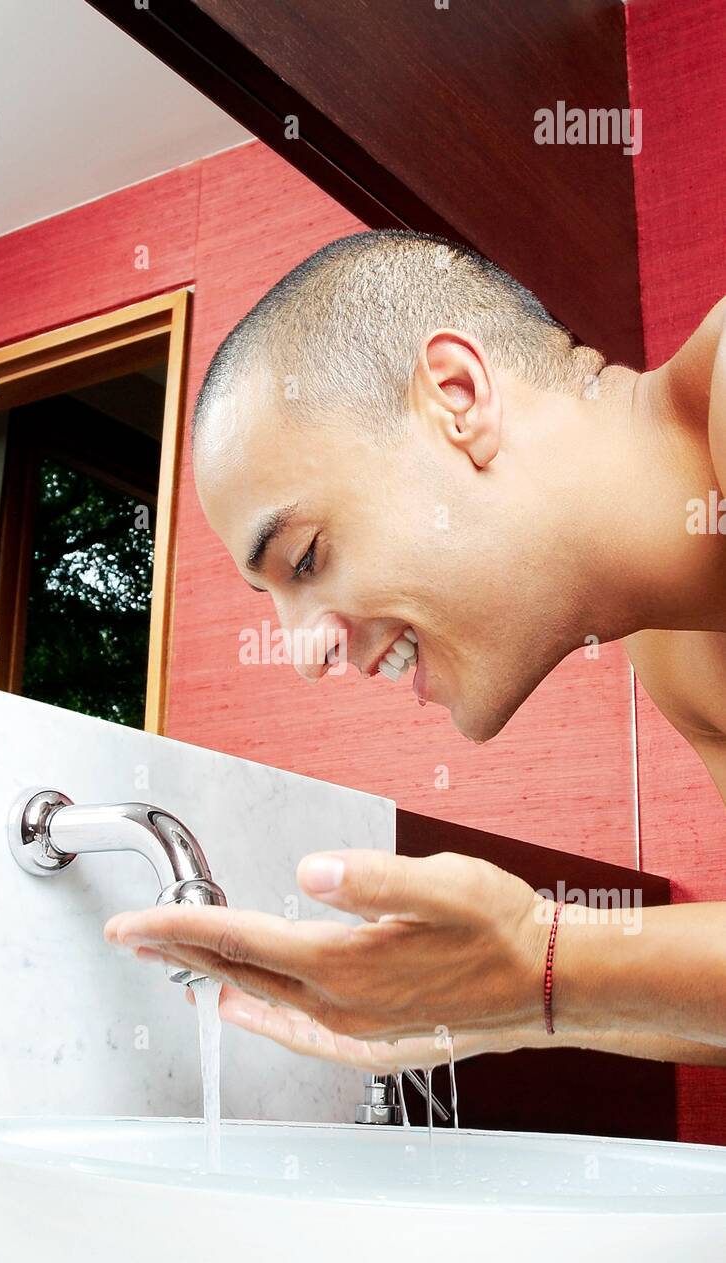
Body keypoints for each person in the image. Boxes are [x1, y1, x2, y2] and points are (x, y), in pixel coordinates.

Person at [107, 230, 726, 1068]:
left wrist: (539, 960)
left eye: (306, 558)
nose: (302, 653)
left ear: (457, 396)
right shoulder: (670, 645)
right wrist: (485, 1008)